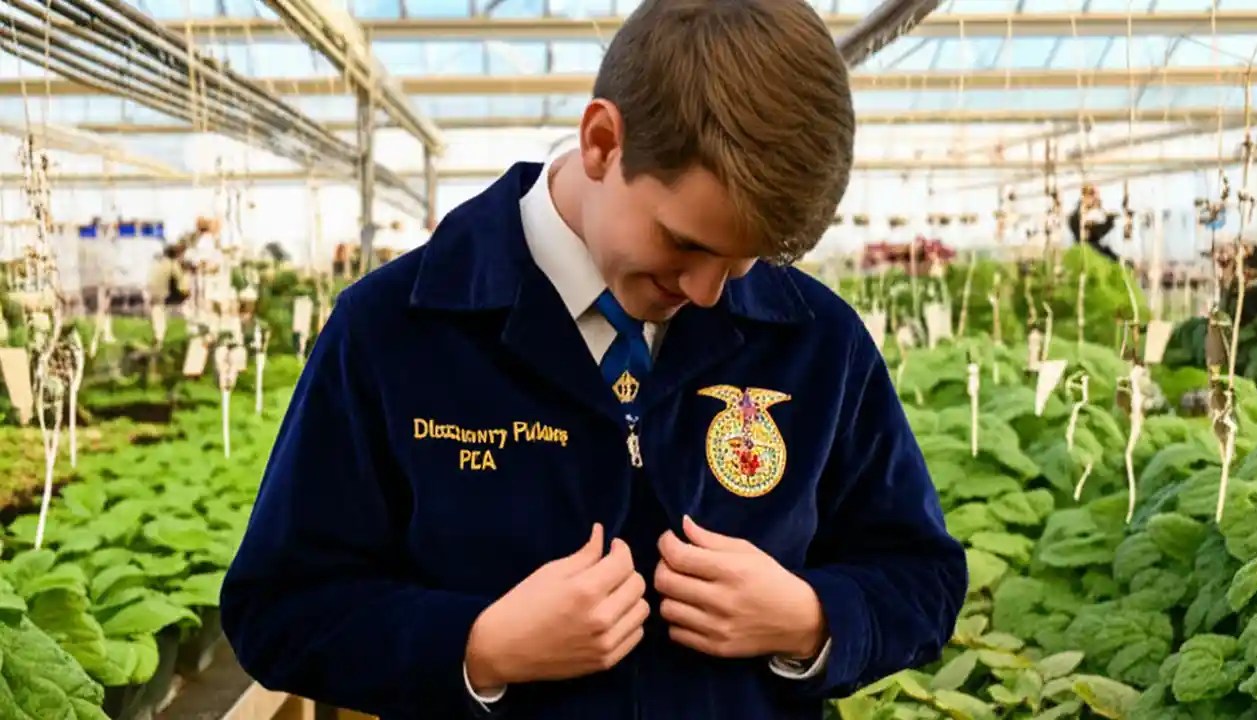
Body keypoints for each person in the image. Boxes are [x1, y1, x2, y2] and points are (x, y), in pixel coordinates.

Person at [220, 2, 967, 719]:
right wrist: (478, 647)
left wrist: (811, 618)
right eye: (688, 244)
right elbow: (280, 609)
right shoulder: (394, 331)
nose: (709, 294)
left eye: (746, 263)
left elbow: (922, 576)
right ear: (604, 142)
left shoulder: (817, 340)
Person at [1068, 183, 1119, 261]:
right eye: (1094, 197)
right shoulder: (1076, 217)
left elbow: (1096, 232)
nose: (1096, 201)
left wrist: (1108, 221)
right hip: (1087, 252)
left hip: (1092, 250)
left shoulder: (1093, 214)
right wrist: (1109, 222)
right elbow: (1093, 234)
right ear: (1085, 197)